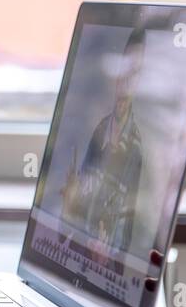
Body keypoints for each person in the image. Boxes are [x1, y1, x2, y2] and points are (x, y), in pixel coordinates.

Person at [62, 27, 146, 268]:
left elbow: (131, 228)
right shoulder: (96, 131)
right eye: (122, 69)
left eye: (135, 72)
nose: (126, 80)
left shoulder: (137, 150)